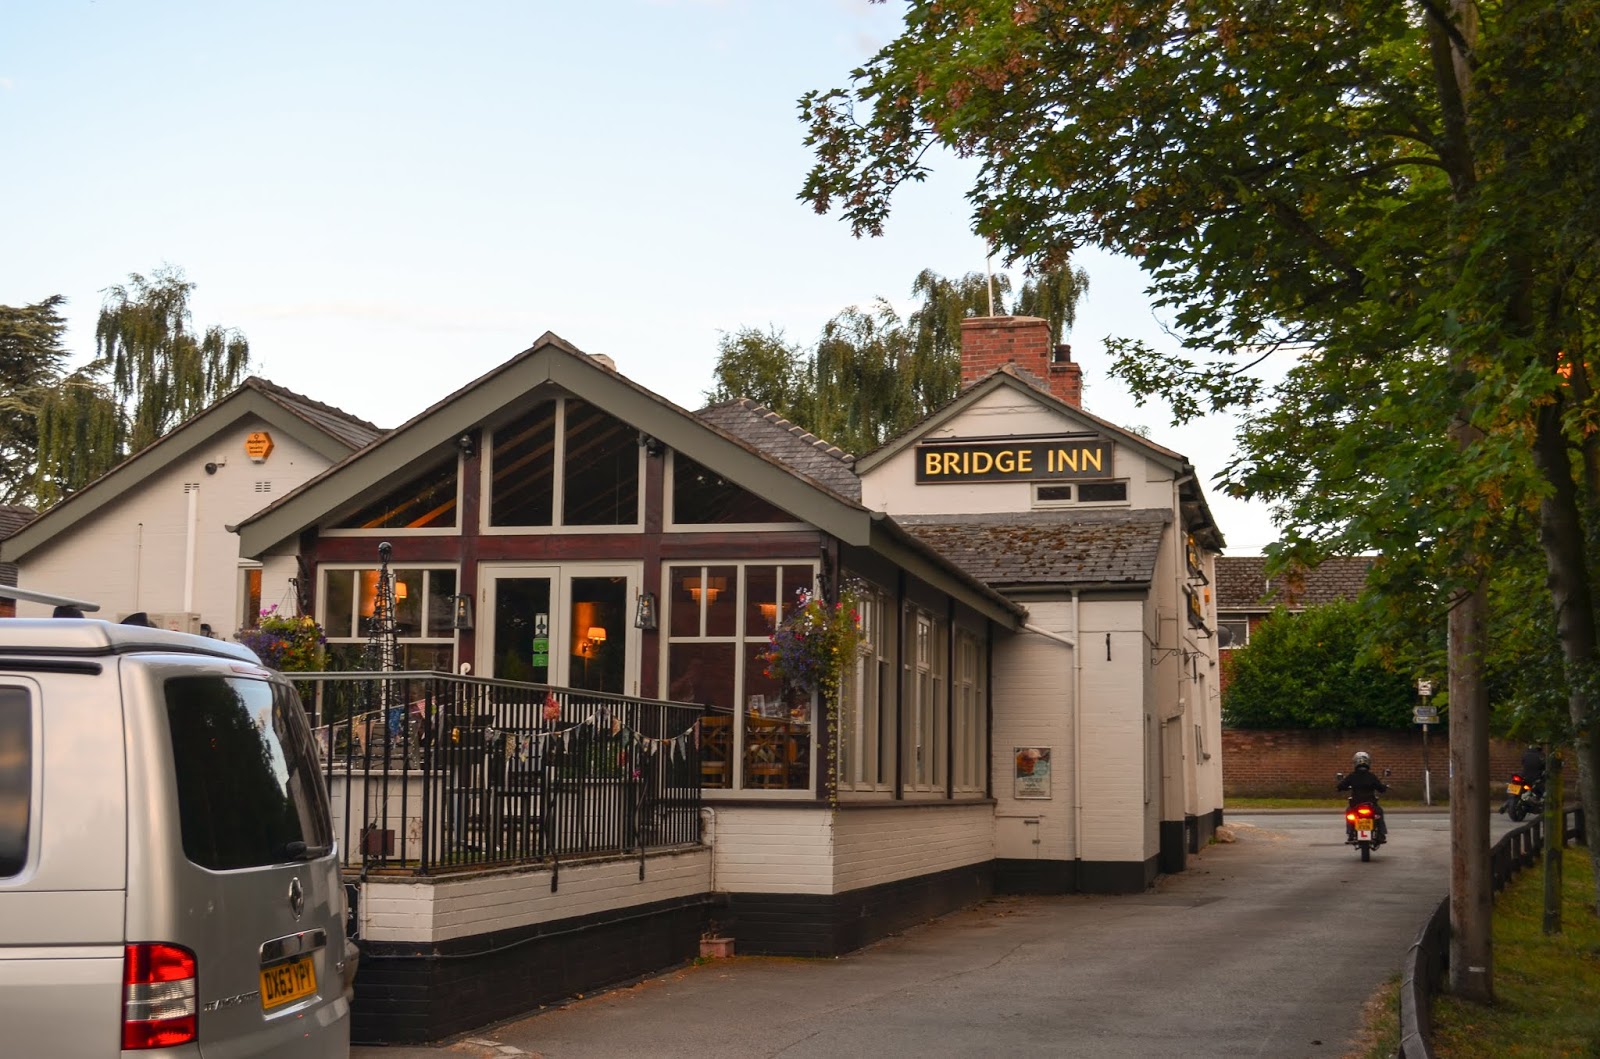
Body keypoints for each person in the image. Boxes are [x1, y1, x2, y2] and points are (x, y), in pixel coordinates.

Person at [1337, 750, 1388, 841]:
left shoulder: (1352, 776)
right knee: (1379, 812)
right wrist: (1384, 787)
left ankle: (1350, 833)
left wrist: (1341, 787)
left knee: (1349, 812)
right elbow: (1380, 788)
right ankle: (1381, 833)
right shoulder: (1371, 776)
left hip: (1356, 803)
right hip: (1370, 803)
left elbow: (1341, 786)